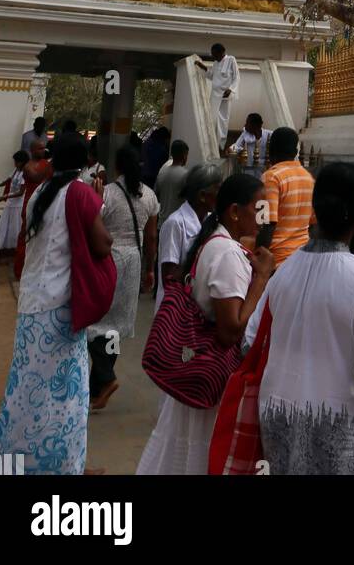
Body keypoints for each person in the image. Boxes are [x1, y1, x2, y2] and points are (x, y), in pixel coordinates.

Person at [250, 162, 354, 474]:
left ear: (314, 209)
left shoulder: (283, 272)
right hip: (341, 442)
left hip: (280, 427)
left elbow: (249, 344)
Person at [0, 135, 112, 475]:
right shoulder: (81, 193)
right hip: (60, 307)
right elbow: (102, 244)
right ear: (86, 163)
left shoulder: (39, 192)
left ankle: (13, 461)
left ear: (51, 160)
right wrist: (98, 203)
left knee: (26, 390)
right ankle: (64, 465)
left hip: (32, 304)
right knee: (66, 396)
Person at [136, 172, 272, 476]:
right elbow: (230, 330)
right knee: (198, 453)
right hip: (210, 372)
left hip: (199, 369)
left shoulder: (217, 244)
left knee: (182, 452)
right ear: (235, 212)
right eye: (259, 208)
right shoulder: (227, 254)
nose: (264, 216)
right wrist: (261, 279)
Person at [87, 145, 159, 410]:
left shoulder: (106, 193)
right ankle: (98, 387)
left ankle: (105, 377)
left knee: (94, 322)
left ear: (116, 166)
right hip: (134, 261)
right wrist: (150, 269)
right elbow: (151, 238)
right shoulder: (149, 195)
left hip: (109, 259)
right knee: (116, 324)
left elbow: (93, 226)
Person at [156, 163, 222, 311]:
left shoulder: (211, 220)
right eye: (217, 189)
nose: (220, 195)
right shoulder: (175, 223)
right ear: (203, 196)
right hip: (175, 311)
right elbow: (169, 276)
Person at [261, 126, 315, 265]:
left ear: (270, 150)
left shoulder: (271, 177)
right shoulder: (309, 178)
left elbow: (267, 223)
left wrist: (259, 259)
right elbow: (313, 224)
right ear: (296, 152)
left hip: (276, 260)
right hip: (303, 258)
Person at [14, 139, 54, 280]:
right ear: (32, 151)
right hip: (30, 205)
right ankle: (19, 271)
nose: (43, 151)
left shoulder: (46, 164)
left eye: (44, 148)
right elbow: (36, 177)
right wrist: (53, 163)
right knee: (25, 236)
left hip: (44, 204)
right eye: (39, 149)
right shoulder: (28, 166)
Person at [196, 43, 239, 151]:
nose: (213, 57)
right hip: (214, 96)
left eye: (215, 54)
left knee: (223, 121)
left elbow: (237, 77)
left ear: (222, 52)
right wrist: (203, 67)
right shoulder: (215, 63)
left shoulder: (231, 60)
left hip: (225, 95)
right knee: (213, 119)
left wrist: (231, 89)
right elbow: (212, 76)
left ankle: (220, 146)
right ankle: (212, 144)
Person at [0, 150, 29, 264]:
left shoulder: (25, 173)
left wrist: (4, 196)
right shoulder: (16, 170)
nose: (14, 163)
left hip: (17, 207)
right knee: (3, 229)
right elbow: (8, 180)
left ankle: (17, 258)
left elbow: (21, 192)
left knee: (16, 232)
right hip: (9, 206)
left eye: (16, 161)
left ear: (21, 162)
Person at [155, 140, 190, 227]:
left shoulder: (162, 173)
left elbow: (156, 196)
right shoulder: (186, 175)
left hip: (162, 223)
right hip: (177, 225)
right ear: (184, 156)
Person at [228, 113, 272, 178]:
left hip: (264, 169)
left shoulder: (269, 134)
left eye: (247, 123)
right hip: (248, 170)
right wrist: (230, 149)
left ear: (255, 125)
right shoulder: (245, 134)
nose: (245, 125)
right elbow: (236, 146)